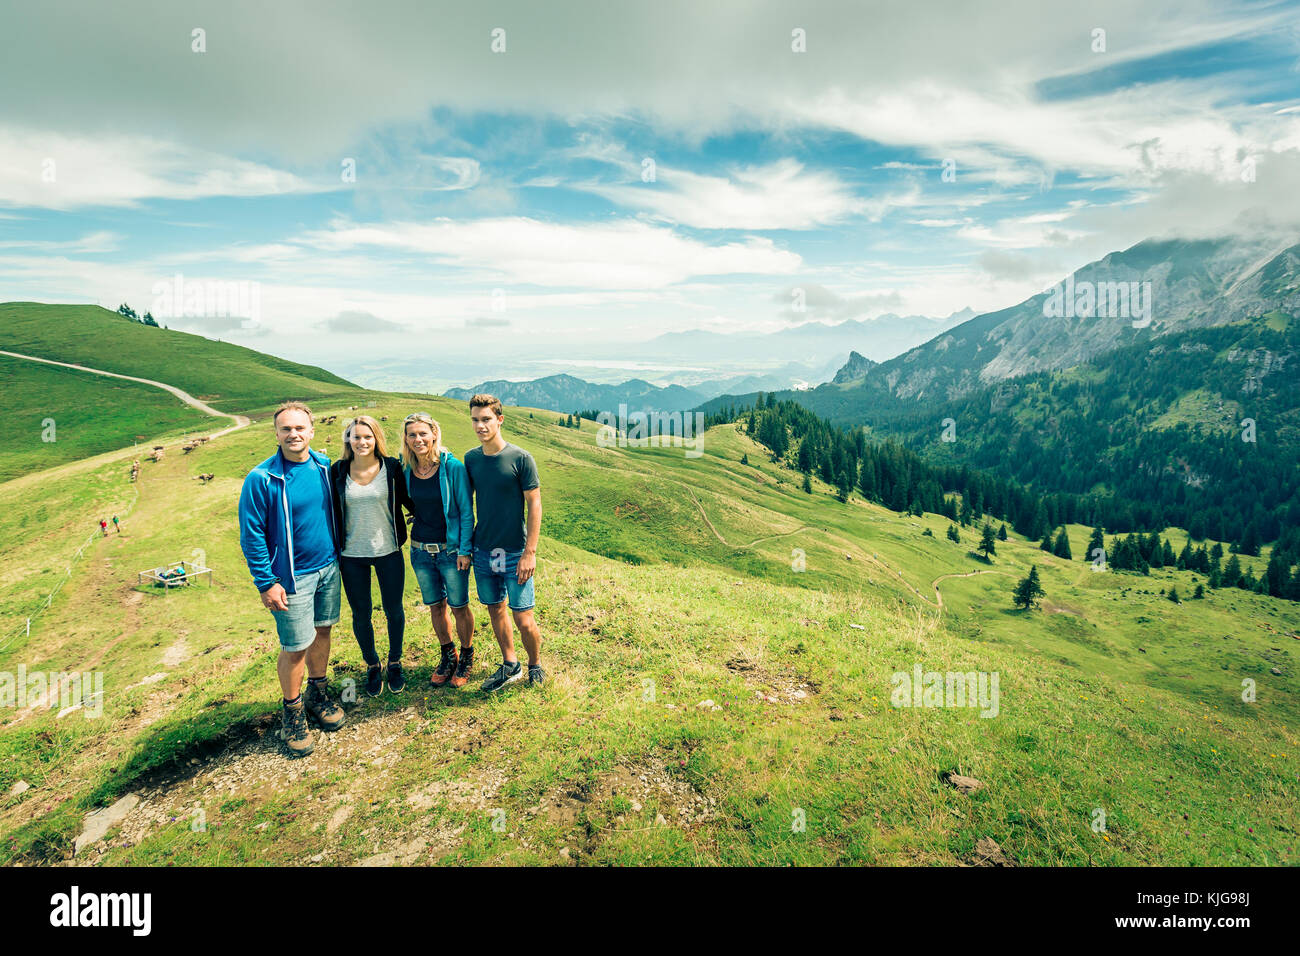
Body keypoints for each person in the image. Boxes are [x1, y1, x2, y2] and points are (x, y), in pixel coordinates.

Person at [238, 401, 345, 759]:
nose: (294, 434)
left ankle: (318, 693)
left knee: (324, 631)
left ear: (311, 431)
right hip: (292, 578)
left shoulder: (323, 467)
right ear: (277, 434)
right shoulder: (262, 478)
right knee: (295, 645)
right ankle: (293, 712)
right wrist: (267, 582)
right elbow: (251, 535)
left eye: (300, 428)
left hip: (329, 567)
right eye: (286, 429)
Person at [463, 394, 545, 691]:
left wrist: (530, 553)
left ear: (499, 419)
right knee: (495, 609)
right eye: (475, 419)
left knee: (523, 618)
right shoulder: (471, 459)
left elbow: (534, 505)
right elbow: (463, 503)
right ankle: (510, 663)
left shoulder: (521, 459)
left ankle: (535, 664)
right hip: (484, 551)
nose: (480, 425)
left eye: (486, 419)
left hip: (514, 553)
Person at [329, 416, 409, 696]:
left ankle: (395, 661)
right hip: (351, 555)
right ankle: (373, 665)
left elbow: (413, 499)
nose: (362, 442)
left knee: (393, 609)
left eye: (367, 437)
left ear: (376, 439)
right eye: (356, 437)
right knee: (361, 613)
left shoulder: (393, 467)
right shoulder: (337, 471)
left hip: (388, 550)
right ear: (348, 440)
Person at [401, 413, 476, 688]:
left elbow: (467, 512)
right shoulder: (407, 468)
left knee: (459, 606)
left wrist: (464, 550)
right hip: (420, 550)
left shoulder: (452, 467)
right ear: (406, 439)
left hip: (450, 550)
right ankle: (448, 654)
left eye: (423, 433)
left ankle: (467, 655)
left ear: (434, 433)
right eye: (412, 435)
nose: (418, 439)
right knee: (435, 606)